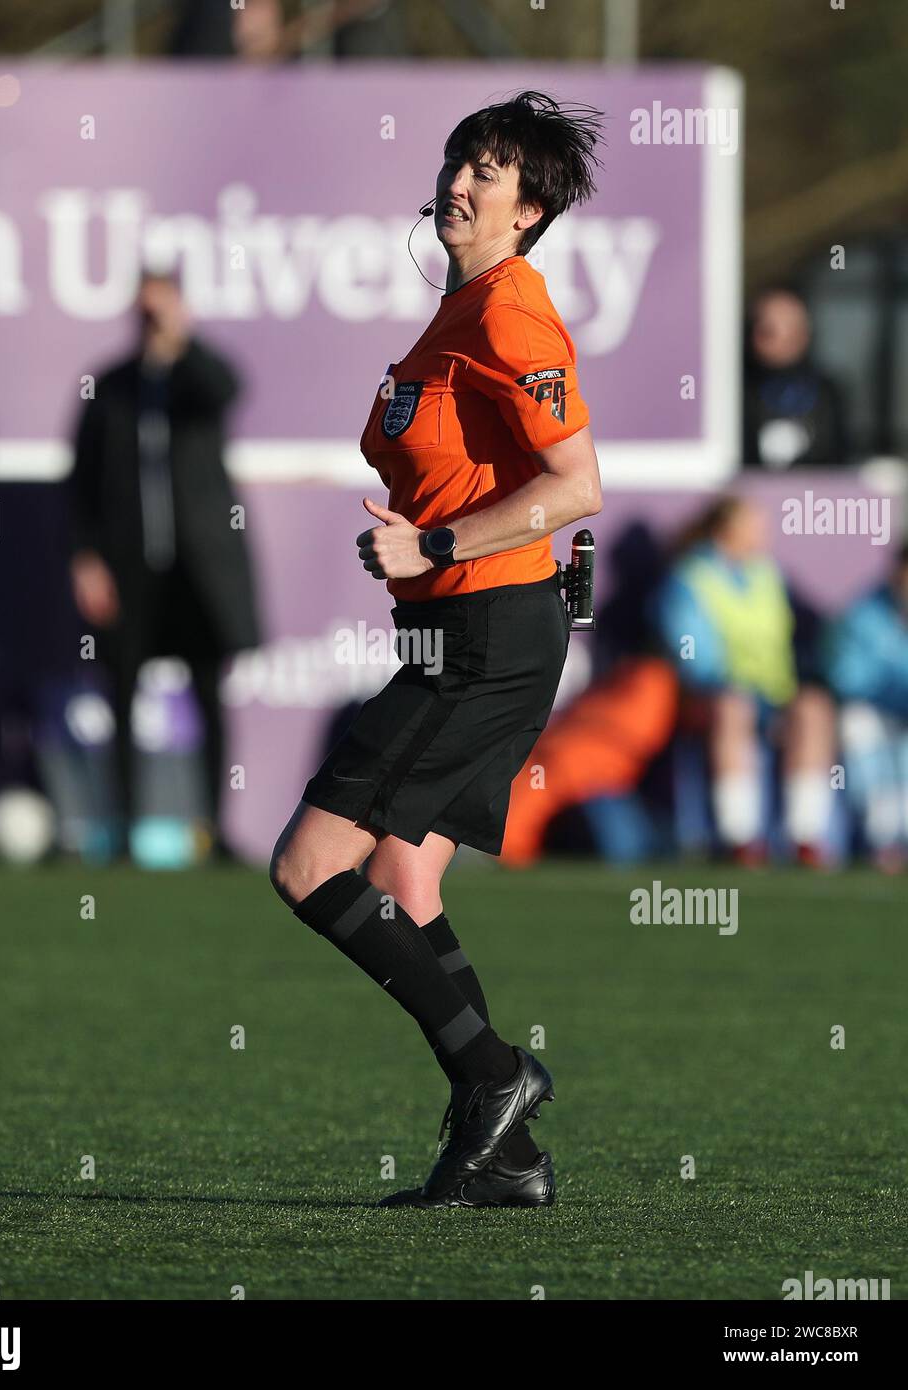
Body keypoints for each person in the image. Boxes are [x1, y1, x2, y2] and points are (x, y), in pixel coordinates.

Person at [270, 91, 604, 1208]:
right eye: (460, 155)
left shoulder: (511, 312)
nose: (460, 178)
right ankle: (505, 1161)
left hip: (493, 633)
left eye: (491, 168)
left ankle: (495, 1078)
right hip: (466, 627)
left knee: (309, 865)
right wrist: (423, 538)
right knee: (403, 874)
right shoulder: (461, 307)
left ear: (530, 209)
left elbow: (575, 487)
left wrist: (434, 541)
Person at [69, 270, 261, 859]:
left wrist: (180, 339)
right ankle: (124, 829)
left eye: (163, 308)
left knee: (207, 692)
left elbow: (227, 392)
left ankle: (215, 829)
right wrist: (87, 560)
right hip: (131, 569)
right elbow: (80, 484)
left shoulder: (196, 377)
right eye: (146, 310)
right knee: (121, 693)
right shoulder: (110, 388)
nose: (151, 319)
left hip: (196, 568)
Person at [654, 496, 834, 864]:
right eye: (753, 525)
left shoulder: (767, 574)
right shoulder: (690, 579)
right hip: (710, 697)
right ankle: (740, 840)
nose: (762, 534)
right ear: (727, 530)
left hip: (772, 695)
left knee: (813, 710)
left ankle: (806, 839)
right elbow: (692, 654)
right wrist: (731, 685)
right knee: (733, 708)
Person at [824, 544, 908, 871]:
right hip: (875, 709)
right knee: (858, 724)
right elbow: (847, 676)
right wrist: (895, 695)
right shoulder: (862, 613)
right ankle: (883, 838)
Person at [743, 288, 849, 469]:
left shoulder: (827, 392)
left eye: (772, 331)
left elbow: (837, 460)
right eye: (761, 327)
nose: (761, 337)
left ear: (803, 335)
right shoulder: (737, 390)